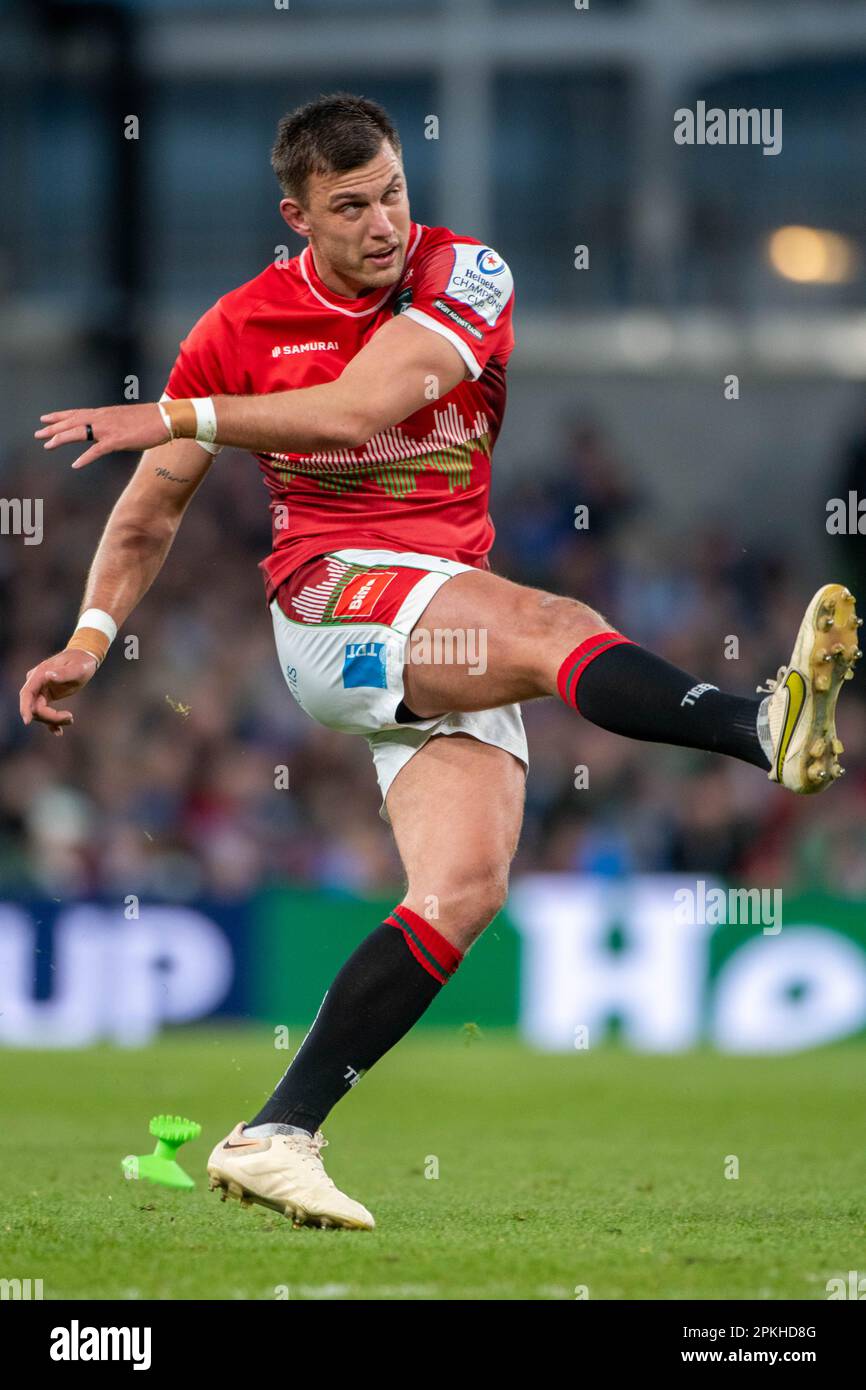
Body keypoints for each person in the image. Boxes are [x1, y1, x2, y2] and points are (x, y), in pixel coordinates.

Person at [22, 94, 861, 1231]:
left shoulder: (462, 275)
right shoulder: (237, 329)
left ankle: (276, 1131)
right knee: (550, 625)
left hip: (430, 613)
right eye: (350, 206)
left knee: (459, 893)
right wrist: (85, 640)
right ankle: (760, 725)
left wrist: (183, 413)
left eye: (392, 193)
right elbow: (147, 512)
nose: (380, 223)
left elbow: (361, 405)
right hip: (330, 606)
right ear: (297, 215)